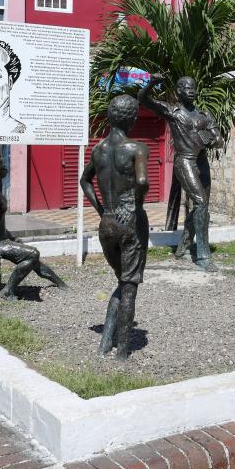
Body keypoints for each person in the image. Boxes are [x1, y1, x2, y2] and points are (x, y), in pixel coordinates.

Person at [79, 95, 150, 358]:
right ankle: (122, 351)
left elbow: (84, 180)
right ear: (131, 119)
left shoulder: (98, 150)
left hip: (107, 223)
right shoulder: (137, 148)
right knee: (129, 286)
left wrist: (100, 210)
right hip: (129, 219)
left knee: (122, 281)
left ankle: (104, 343)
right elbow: (142, 182)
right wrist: (135, 206)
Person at [139, 75, 223, 270]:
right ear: (178, 91)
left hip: (202, 162)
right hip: (184, 161)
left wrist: (211, 140)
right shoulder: (172, 111)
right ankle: (203, 256)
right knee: (200, 203)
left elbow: (219, 139)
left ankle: (182, 247)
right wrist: (152, 83)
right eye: (186, 87)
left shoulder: (204, 114)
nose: (191, 91)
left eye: (193, 87)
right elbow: (143, 99)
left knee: (202, 208)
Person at [0, 153, 66, 298]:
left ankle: (58, 281)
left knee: (27, 254)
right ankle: (8, 291)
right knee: (32, 254)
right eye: (2, 165)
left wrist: (9, 236)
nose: (5, 167)